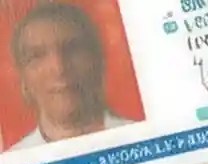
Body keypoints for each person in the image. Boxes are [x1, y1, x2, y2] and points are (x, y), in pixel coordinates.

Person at [7, 2, 134, 150]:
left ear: (98, 61)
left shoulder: (140, 139)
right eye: (37, 56)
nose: (59, 68)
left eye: (72, 49)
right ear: (23, 81)